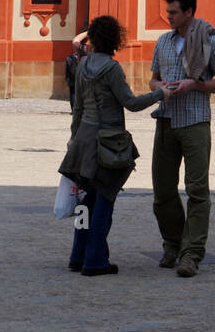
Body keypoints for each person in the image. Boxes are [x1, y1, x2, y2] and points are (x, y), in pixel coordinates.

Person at [59, 15, 167, 276]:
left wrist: (73, 136)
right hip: (108, 142)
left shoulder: (82, 66)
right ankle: (95, 260)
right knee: (104, 199)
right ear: (115, 40)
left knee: (85, 201)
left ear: (93, 38)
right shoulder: (112, 68)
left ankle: (78, 254)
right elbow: (130, 103)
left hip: (83, 140)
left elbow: (78, 108)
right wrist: (160, 94)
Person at [149, 0, 215, 277]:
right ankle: (172, 245)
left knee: (197, 191)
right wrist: (161, 88)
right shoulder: (163, 42)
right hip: (166, 120)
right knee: (162, 191)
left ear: (188, 12)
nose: (168, 16)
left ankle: (191, 254)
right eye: (167, 11)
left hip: (195, 121)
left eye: (173, 12)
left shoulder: (208, 39)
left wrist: (193, 85)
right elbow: (153, 80)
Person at [64, 37, 87, 109]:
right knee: (74, 93)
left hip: (74, 78)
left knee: (74, 93)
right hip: (75, 78)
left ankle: (75, 108)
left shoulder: (70, 57)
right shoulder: (83, 57)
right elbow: (67, 69)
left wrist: (67, 78)